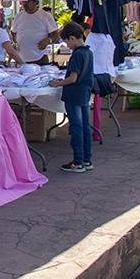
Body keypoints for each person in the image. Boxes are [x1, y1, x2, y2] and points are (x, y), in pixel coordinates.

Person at [49, 22, 94, 173]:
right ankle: (86, 159)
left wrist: (58, 83)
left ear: (72, 38)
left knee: (76, 128)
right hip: (85, 93)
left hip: (74, 94)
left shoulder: (77, 55)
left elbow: (73, 78)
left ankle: (77, 161)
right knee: (85, 127)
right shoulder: (88, 52)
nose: (66, 45)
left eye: (66, 41)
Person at [11, 0, 59, 65]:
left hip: (40, 58)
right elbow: (13, 32)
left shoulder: (46, 16)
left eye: (27, 2)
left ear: (35, 2)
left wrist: (48, 40)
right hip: (22, 59)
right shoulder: (18, 16)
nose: (24, 4)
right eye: (23, 2)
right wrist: (16, 42)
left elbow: (56, 35)